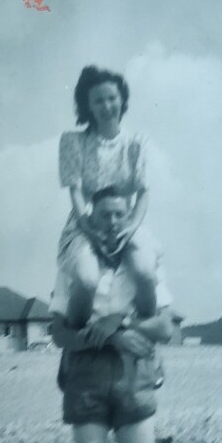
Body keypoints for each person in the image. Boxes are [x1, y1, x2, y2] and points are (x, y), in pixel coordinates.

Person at [49, 186, 175, 443]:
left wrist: (119, 326)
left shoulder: (144, 264)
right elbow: (59, 333)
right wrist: (118, 334)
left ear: (129, 217)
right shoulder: (75, 263)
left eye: (119, 214)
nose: (111, 222)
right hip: (85, 379)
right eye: (103, 215)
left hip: (135, 380)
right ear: (91, 219)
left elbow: (165, 329)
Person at [56, 65, 163, 329]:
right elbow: (76, 193)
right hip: (86, 224)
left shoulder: (136, 143)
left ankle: (143, 336)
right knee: (86, 280)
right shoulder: (73, 142)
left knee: (146, 272)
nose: (106, 106)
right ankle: (79, 345)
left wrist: (130, 228)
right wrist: (91, 232)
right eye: (98, 100)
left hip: (124, 221)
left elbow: (143, 193)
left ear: (122, 100)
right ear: (88, 106)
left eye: (112, 98)